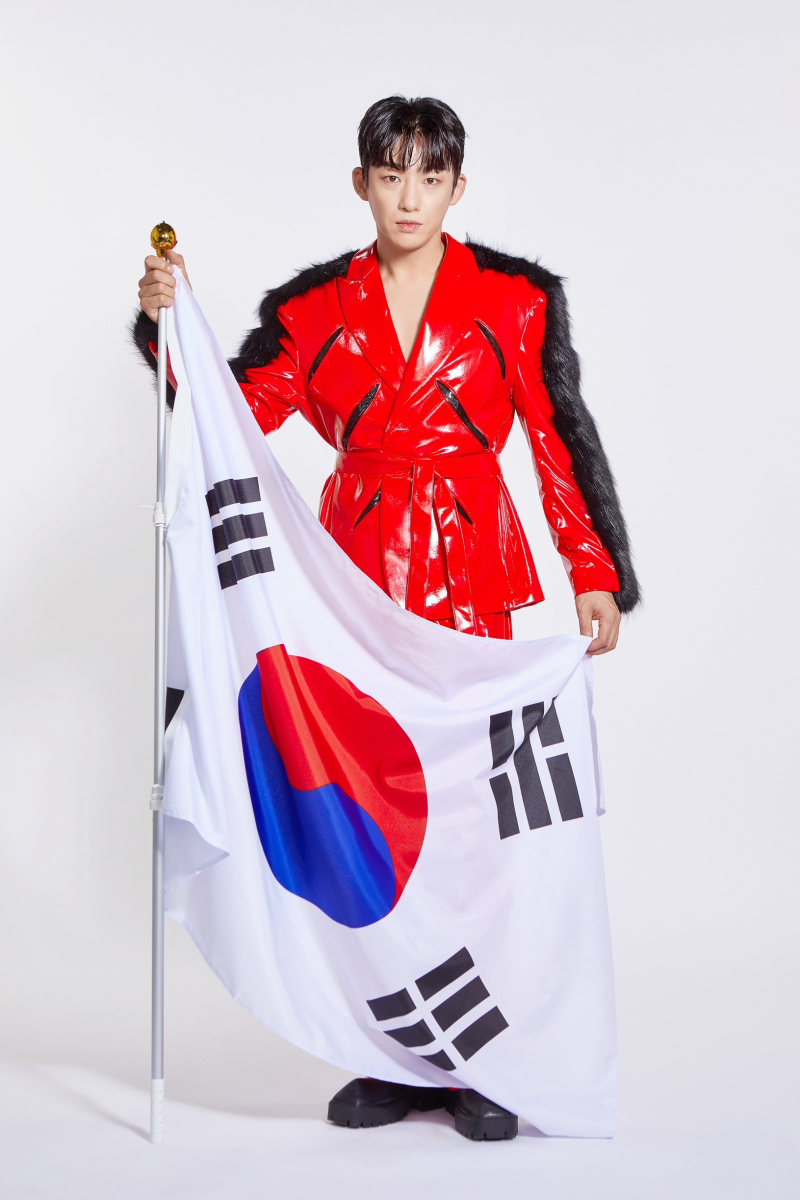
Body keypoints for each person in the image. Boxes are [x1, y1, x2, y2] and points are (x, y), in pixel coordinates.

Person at [133, 95, 639, 1142]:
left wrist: (591, 569)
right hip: (351, 589)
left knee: (475, 819)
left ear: (457, 187)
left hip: (471, 571)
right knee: (372, 809)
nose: (409, 196)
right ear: (360, 182)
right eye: (391, 173)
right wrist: (165, 326)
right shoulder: (315, 308)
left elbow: (555, 433)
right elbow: (232, 413)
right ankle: (390, 1052)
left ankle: (481, 1060)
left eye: (430, 176)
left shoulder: (514, 299)